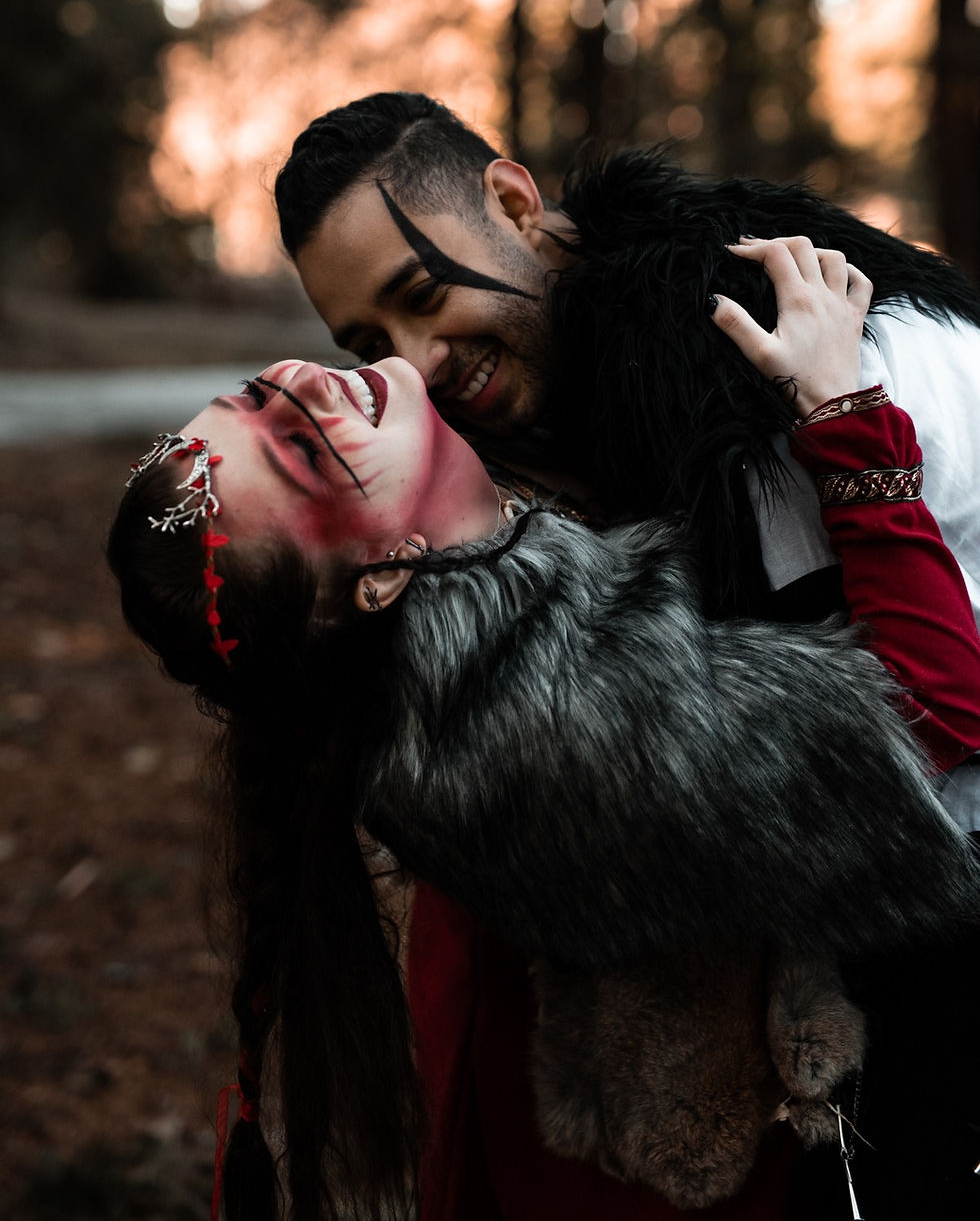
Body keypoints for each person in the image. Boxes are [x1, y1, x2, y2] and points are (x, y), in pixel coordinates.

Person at [107, 244, 980, 1221]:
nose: (299, 381)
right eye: (305, 451)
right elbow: (925, 709)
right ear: (386, 572)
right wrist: (841, 414)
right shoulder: (574, 741)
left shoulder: (428, 673)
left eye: (256, 396)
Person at [273, 90, 980, 634]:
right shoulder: (568, 411)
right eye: (371, 348)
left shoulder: (753, 357)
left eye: (425, 293)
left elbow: (907, 719)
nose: (414, 367)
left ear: (514, 203)